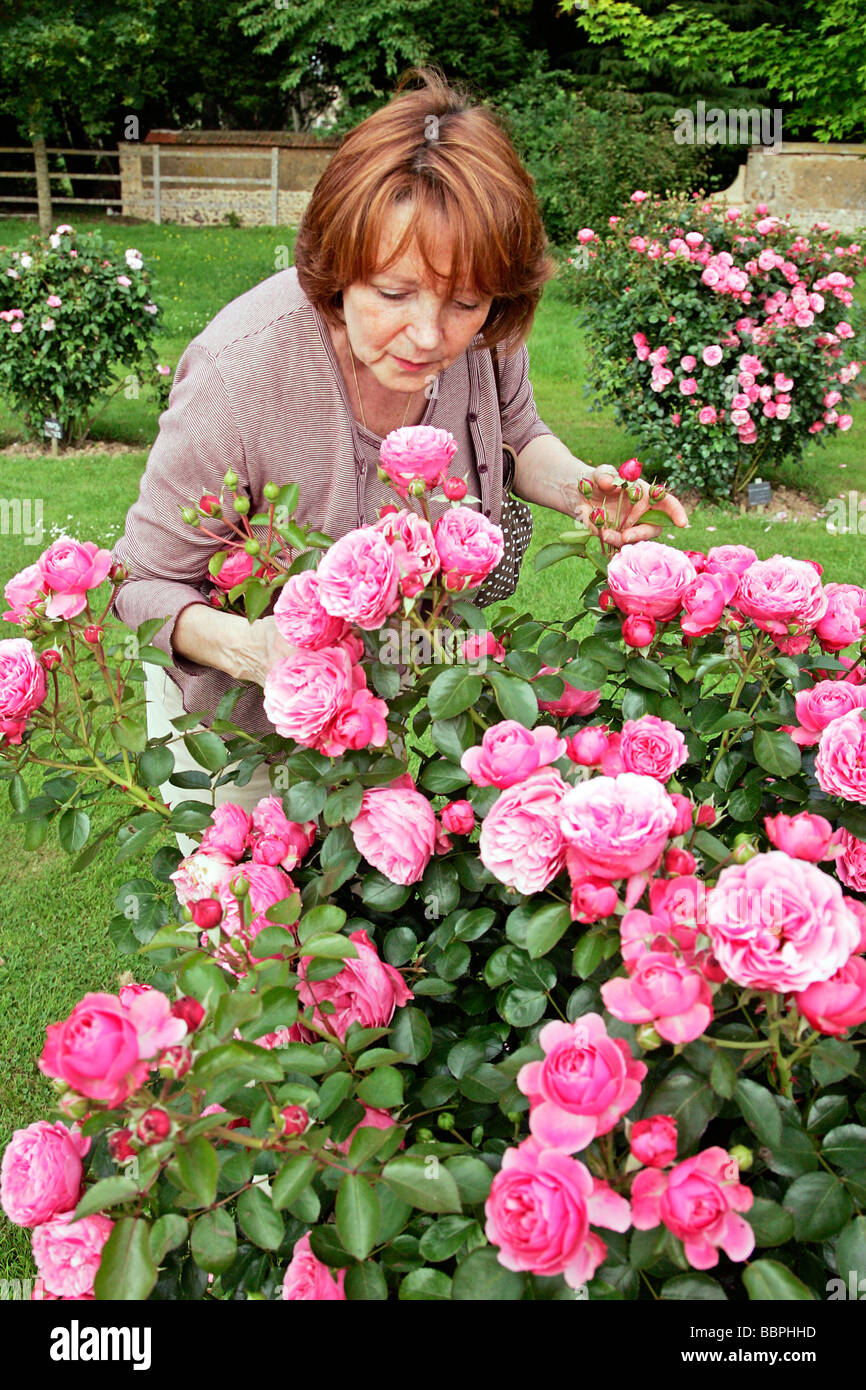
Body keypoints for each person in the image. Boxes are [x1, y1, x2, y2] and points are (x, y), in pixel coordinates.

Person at [110, 68, 688, 828]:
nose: (428, 336)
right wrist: (255, 650)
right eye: (392, 293)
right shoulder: (239, 375)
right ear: (338, 265)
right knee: (262, 927)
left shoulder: (479, 340)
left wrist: (586, 489)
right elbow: (140, 582)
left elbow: (517, 436)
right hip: (244, 731)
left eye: (465, 301)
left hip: (406, 696)